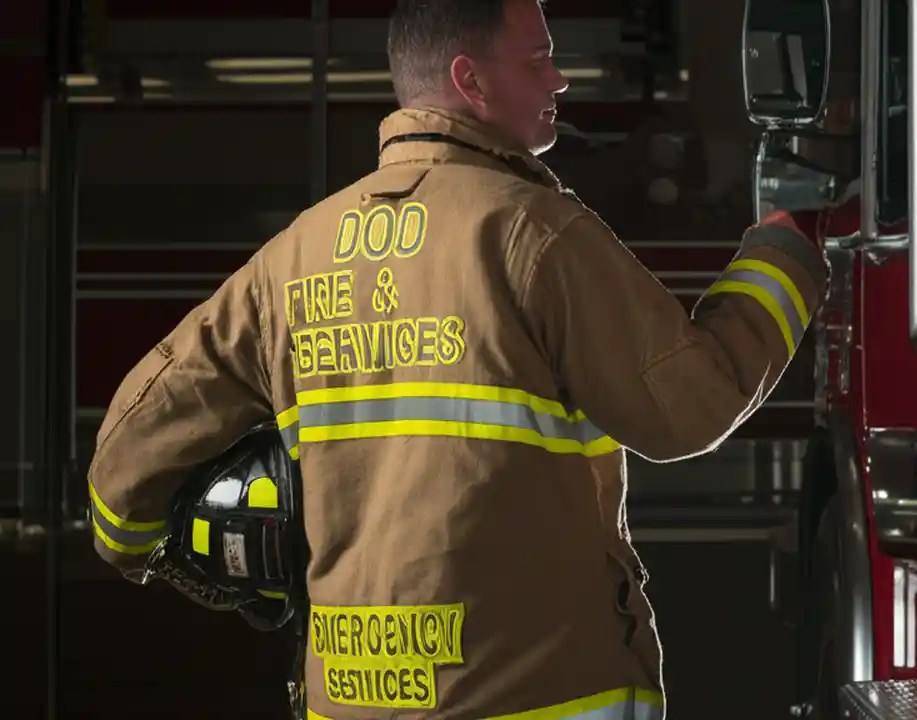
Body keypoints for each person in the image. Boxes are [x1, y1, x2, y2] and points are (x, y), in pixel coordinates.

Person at [84, 0, 829, 717]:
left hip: (347, 703)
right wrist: (785, 252)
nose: (558, 80)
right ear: (471, 81)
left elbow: (127, 462)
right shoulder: (534, 238)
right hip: (535, 698)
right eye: (538, 59)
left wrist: (147, 544)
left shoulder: (295, 258)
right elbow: (690, 407)